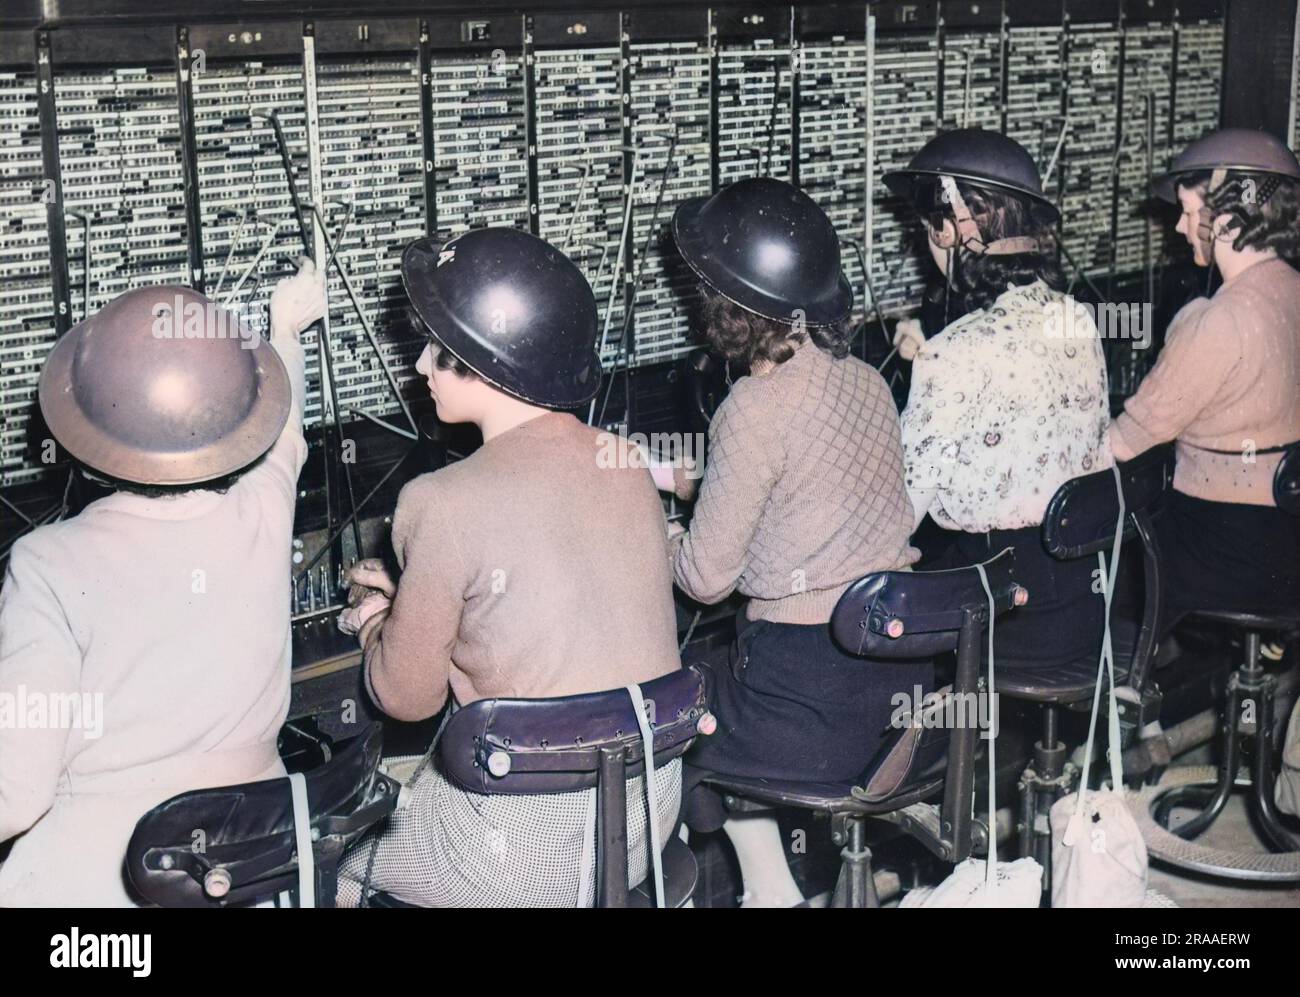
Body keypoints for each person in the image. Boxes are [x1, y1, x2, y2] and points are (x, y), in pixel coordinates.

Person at [333, 227, 682, 907]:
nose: (421, 368)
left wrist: (380, 623)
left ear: (486, 366)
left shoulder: (438, 499)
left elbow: (406, 698)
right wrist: (420, 597)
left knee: (332, 854)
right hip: (644, 822)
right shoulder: (629, 462)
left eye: (439, 351)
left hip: (519, 853)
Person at [0, 262, 325, 906]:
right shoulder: (262, 511)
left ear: (83, 437)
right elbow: (287, 436)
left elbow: (17, 791)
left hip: (101, 899)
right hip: (257, 872)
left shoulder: (45, 564)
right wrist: (286, 327)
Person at [667, 177, 924, 906]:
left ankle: (763, 889)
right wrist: (713, 489)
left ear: (729, 309)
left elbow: (705, 579)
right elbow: (820, 501)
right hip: (899, 686)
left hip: (812, 705)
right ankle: (778, 888)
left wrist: (657, 533)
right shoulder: (869, 380)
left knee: (671, 699)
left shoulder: (751, 406)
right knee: (723, 671)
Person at [885, 128, 1112, 668]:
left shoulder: (951, 355)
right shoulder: (1078, 319)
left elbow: (895, 516)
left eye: (928, 231)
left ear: (955, 229)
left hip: (1000, 617)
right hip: (1085, 604)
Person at [1108, 128, 1300, 632]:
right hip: (1288, 540)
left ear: (1228, 221)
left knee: (1106, 579)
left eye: (1190, 212)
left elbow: (1126, 442)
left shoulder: (1217, 320)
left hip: (1225, 547)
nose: (1179, 227)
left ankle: (1131, 699)